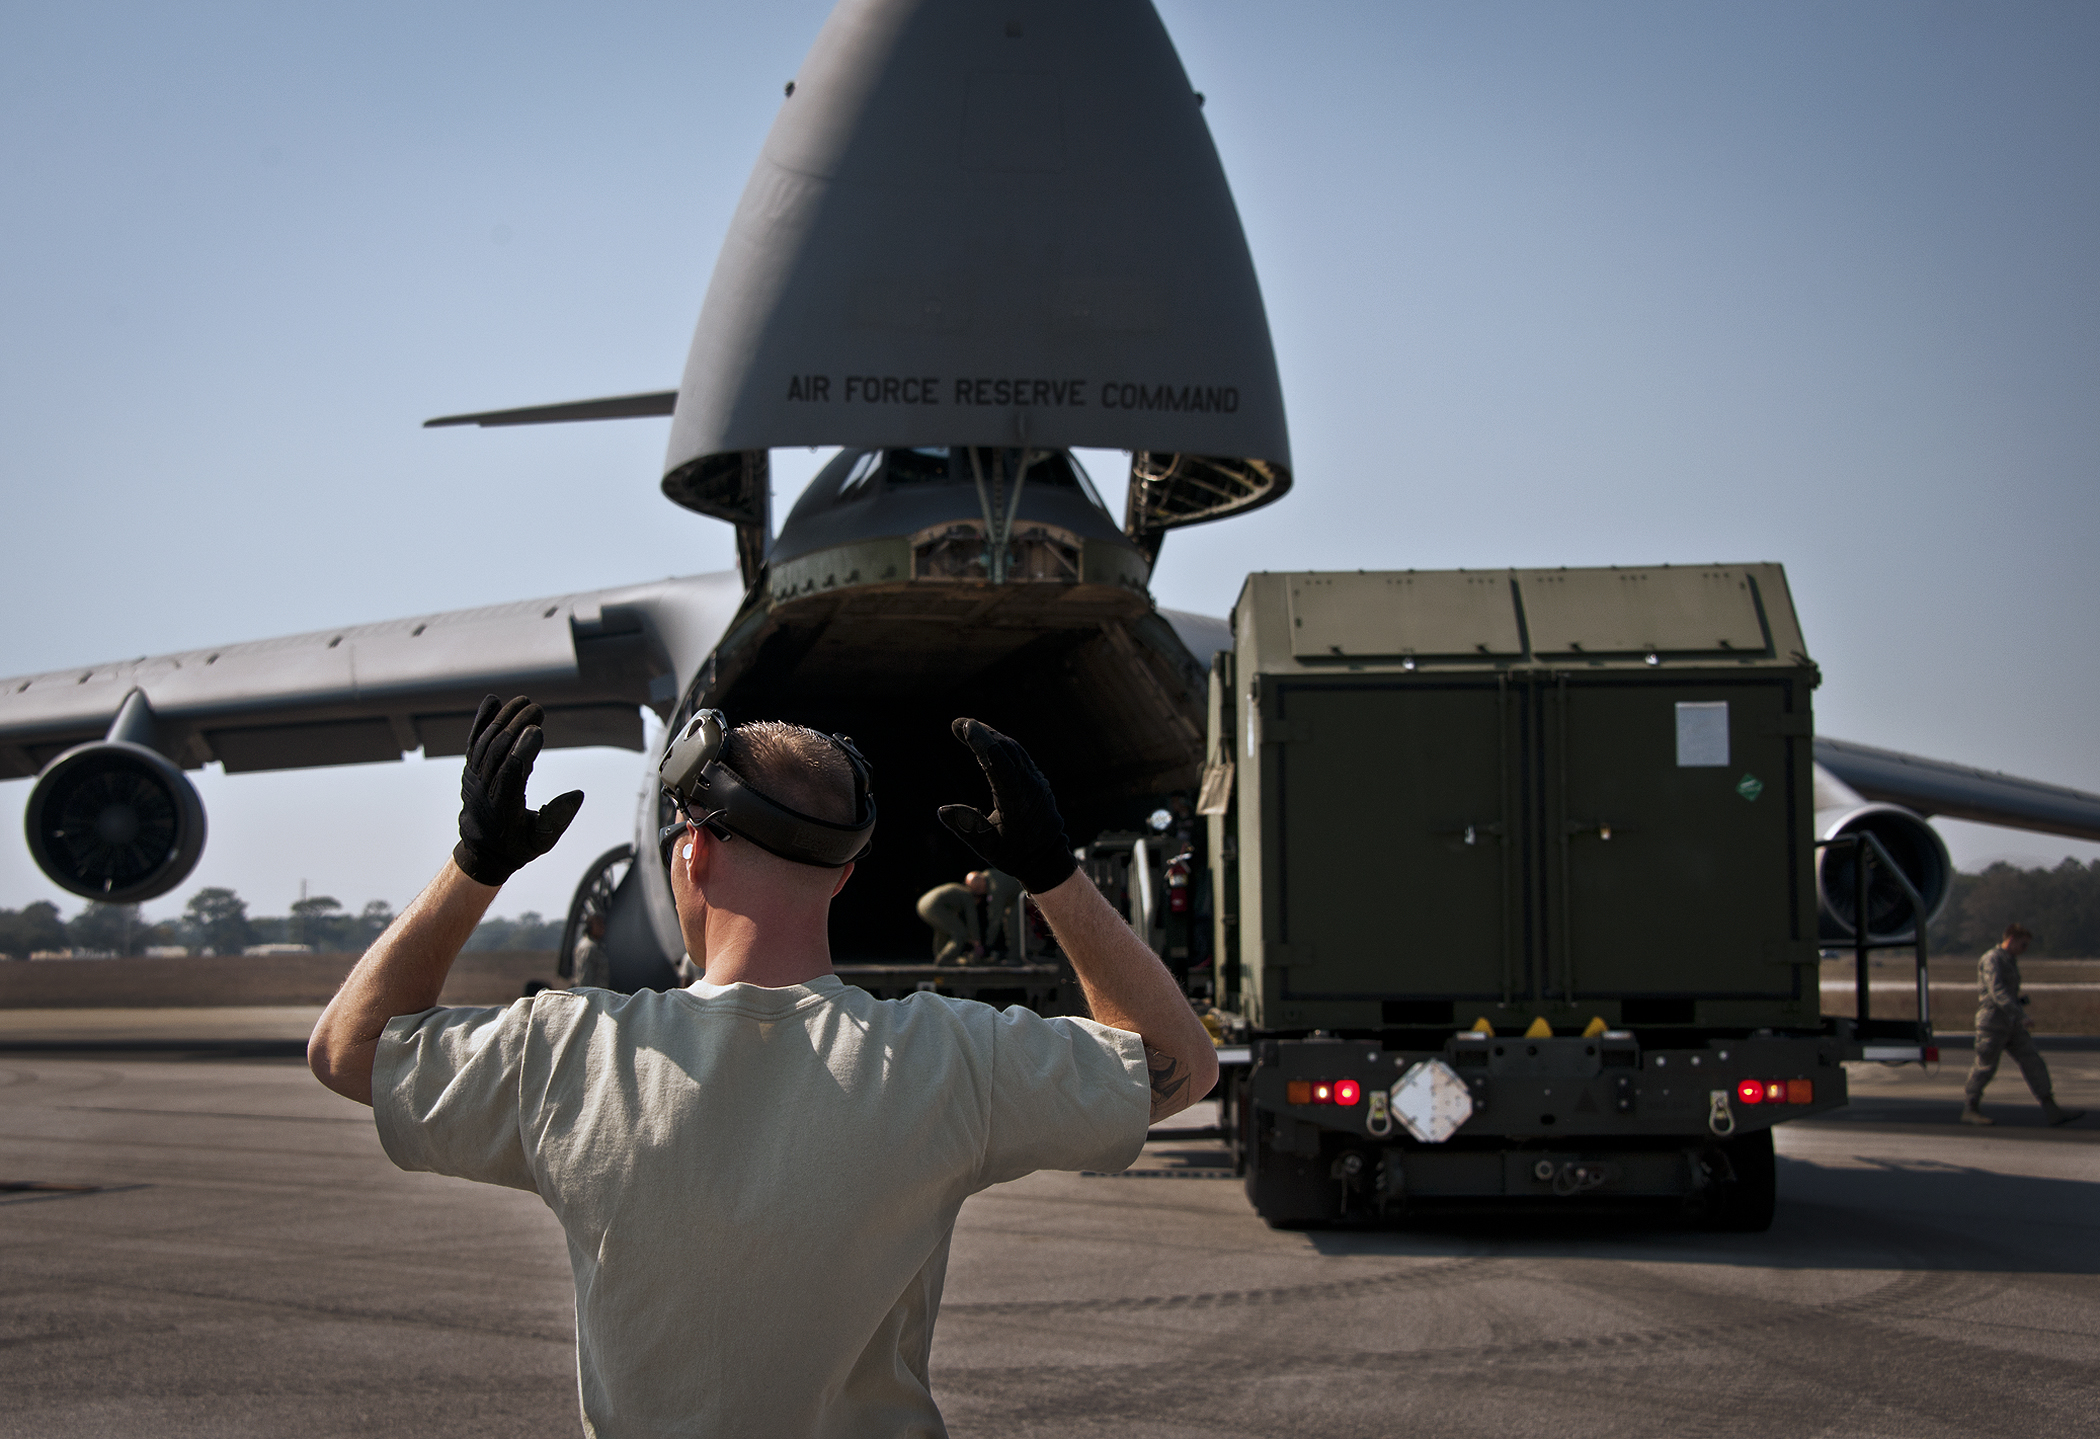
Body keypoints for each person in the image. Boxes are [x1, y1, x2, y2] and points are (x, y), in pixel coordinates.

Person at [307, 698, 1216, 1437]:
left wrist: (476, 862)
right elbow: (1183, 1064)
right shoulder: (948, 1056)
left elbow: (347, 1047)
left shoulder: (569, 1052)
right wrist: (1053, 872)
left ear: (694, 851)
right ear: (842, 876)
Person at [1960, 922, 2084, 1126]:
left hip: (2011, 1023)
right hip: (1993, 1023)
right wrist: (2020, 1014)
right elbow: (1997, 992)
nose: (2025, 950)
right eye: (2023, 945)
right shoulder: (1993, 959)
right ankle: (1970, 1108)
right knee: (1985, 1066)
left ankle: (2051, 1108)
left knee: (2033, 1062)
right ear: (2011, 940)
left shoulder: (2009, 960)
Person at [916, 872, 984, 965]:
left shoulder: (959, 889)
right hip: (934, 906)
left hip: (923, 904)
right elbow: (972, 920)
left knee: (943, 930)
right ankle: (945, 959)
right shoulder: (968, 895)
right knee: (960, 933)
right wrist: (977, 942)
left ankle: (940, 956)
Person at [973, 867, 1023, 961]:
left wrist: (988, 944)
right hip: (1013, 897)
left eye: (978, 889)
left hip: (1021, 894)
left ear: (982, 881)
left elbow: (995, 919)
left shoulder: (994, 888)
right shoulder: (988, 874)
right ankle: (1014, 955)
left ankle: (1015, 958)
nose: (979, 893)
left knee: (1012, 923)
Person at [570, 911, 610, 989]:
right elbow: (584, 976)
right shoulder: (588, 947)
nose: (602, 927)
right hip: (592, 994)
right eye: (598, 924)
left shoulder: (596, 946)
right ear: (590, 926)